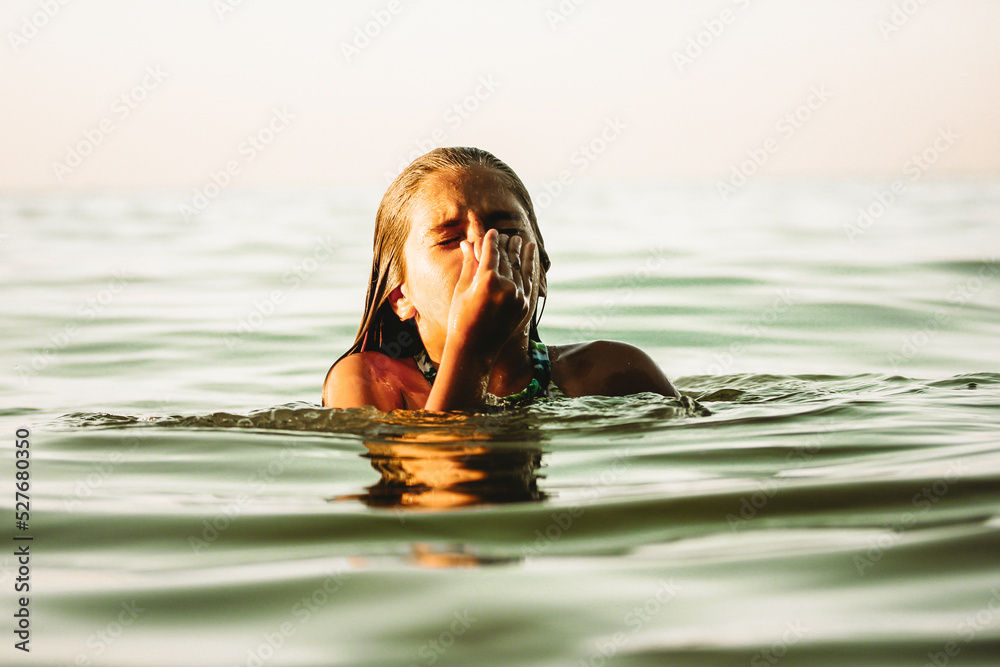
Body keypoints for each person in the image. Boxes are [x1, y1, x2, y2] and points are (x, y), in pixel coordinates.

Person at [322, 147, 679, 412]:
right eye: (448, 239)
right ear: (400, 296)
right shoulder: (370, 383)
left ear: (540, 271)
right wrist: (473, 348)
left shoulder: (610, 373)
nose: (484, 246)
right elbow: (448, 489)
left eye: (505, 229)